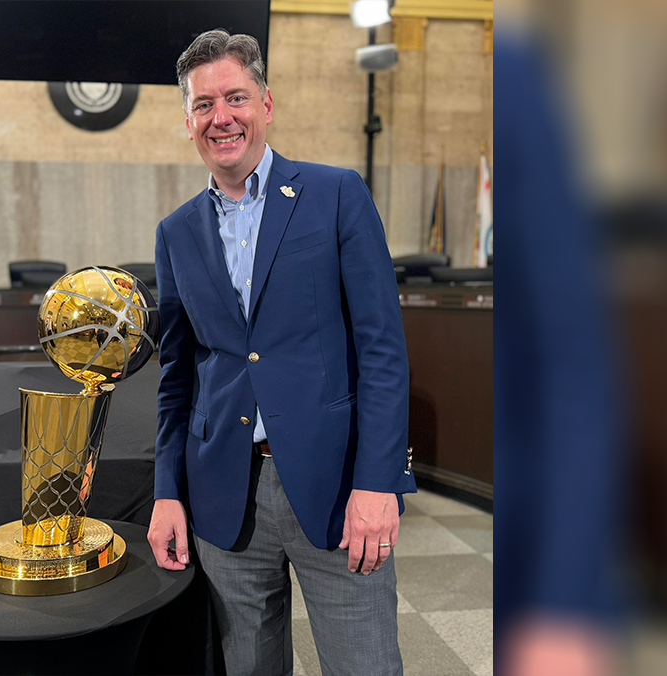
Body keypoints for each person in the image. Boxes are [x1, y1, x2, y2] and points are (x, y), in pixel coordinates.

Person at [147, 29, 415, 676]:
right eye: (203, 105)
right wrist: (166, 491)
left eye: (234, 97)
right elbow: (178, 375)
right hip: (224, 498)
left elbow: (382, 350)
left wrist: (378, 481)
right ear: (187, 123)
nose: (221, 117)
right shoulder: (176, 232)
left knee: (366, 666)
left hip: (336, 489)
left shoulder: (336, 194)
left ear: (265, 104)